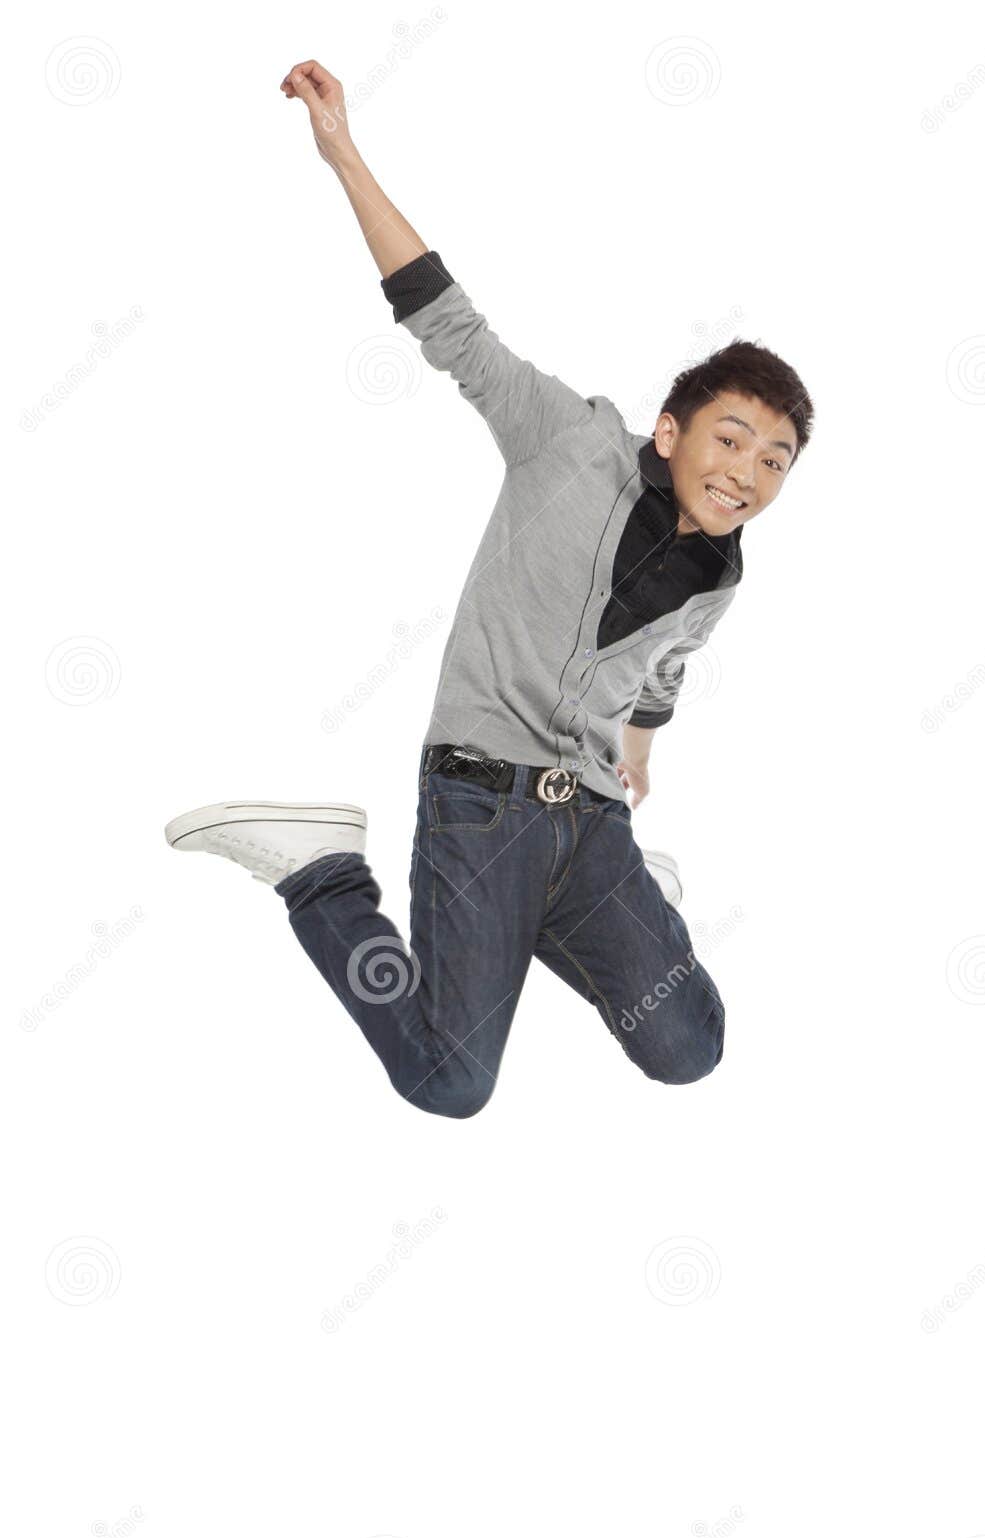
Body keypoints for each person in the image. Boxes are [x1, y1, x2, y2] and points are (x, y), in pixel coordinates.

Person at [164, 59, 815, 1120]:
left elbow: (666, 669)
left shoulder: (720, 576)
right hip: (481, 802)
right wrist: (342, 154)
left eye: (775, 459)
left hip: (593, 821)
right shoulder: (564, 440)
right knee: (449, 1079)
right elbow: (443, 316)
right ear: (671, 432)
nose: (747, 470)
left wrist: (640, 752)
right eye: (731, 438)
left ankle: (614, 905)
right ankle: (321, 872)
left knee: (689, 1046)